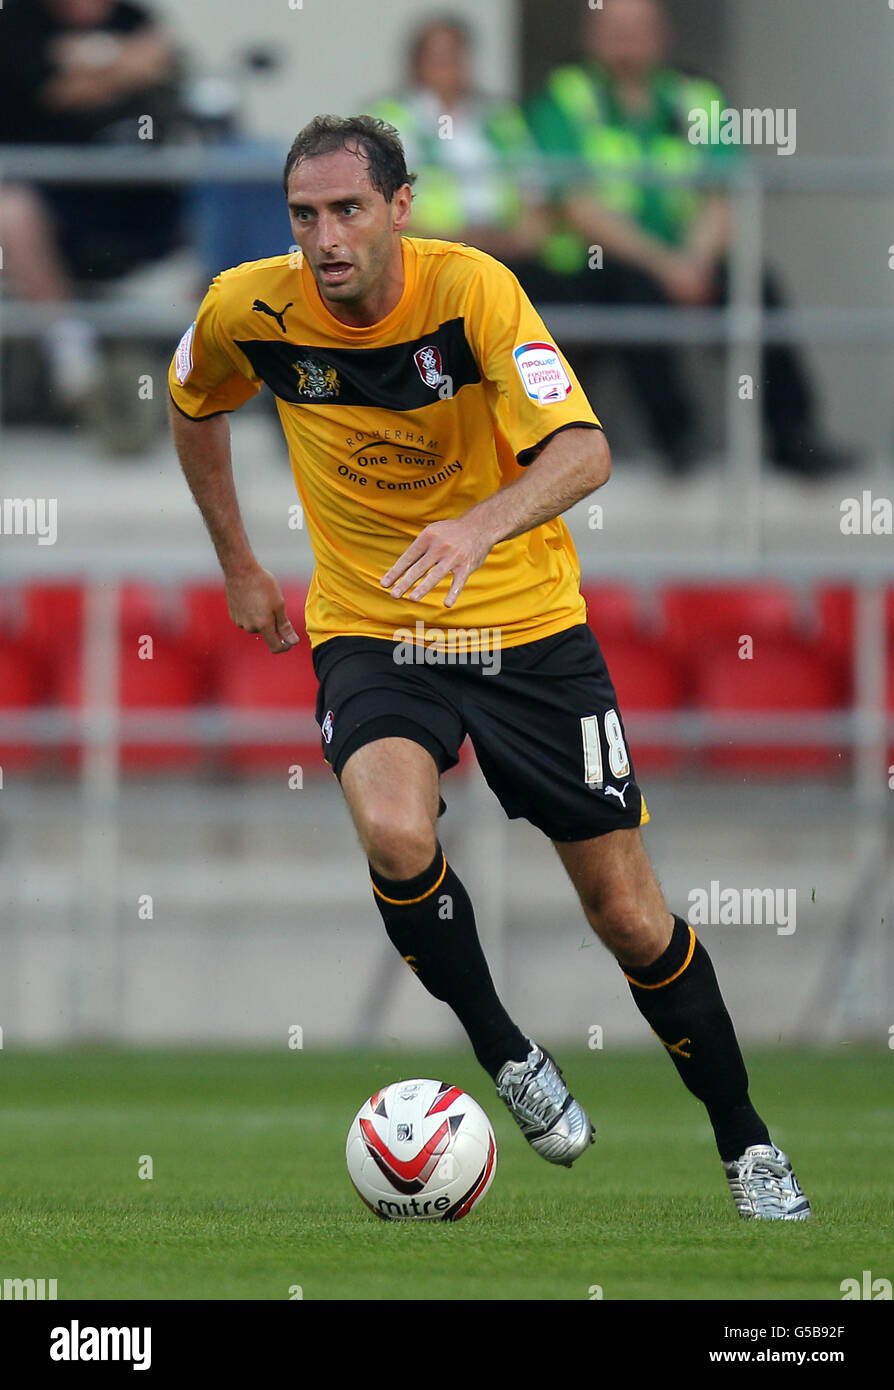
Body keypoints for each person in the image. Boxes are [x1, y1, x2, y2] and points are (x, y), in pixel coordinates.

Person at [168, 114, 809, 1220]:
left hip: (524, 630)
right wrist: (240, 564)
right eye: (306, 215)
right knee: (396, 831)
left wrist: (480, 526)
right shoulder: (247, 305)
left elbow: (586, 449)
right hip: (377, 627)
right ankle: (509, 1053)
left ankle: (746, 1143)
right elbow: (190, 401)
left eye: (349, 211)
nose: (326, 238)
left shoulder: (472, 294)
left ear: (401, 208)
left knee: (626, 914)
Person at [527, 0, 849, 477]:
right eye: (614, 30)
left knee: (754, 286)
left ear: (662, 36)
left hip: (683, 260)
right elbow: (576, 205)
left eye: (637, 29)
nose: (626, 42)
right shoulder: (565, 97)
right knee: (630, 289)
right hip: (595, 265)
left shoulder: (696, 97)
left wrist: (694, 262)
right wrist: (665, 265)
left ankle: (795, 438)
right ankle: (676, 442)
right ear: (591, 37)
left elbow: (724, 191)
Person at [0, 0, 183, 407]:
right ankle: (69, 348)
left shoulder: (132, 15)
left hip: (131, 187)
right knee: (9, 210)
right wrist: (122, 63)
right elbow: (52, 91)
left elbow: (157, 62)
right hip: (48, 193)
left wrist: (83, 58)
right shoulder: (17, 22)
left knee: (212, 176)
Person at [368, 16, 550, 273]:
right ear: (416, 63)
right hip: (424, 258)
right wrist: (458, 241)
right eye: (438, 57)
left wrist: (520, 238)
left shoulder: (500, 117)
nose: (448, 66)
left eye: (455, 55)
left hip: (504, 254)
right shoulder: (389, 118)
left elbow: (534, 193)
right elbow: (378, 206)